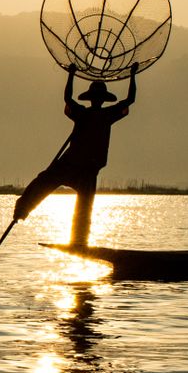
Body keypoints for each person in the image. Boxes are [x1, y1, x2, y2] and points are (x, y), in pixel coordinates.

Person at [13, 62, 137, 245]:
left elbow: (68, 98)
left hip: (84, 167)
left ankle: (75, 240)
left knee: (51, 187)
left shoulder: (91, 114)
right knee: (49, 186)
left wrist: (71, 74)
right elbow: (129, 100)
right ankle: (23, 212)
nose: (97, 100)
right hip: (76, 165)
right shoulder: (101, 114)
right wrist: (133, 75)